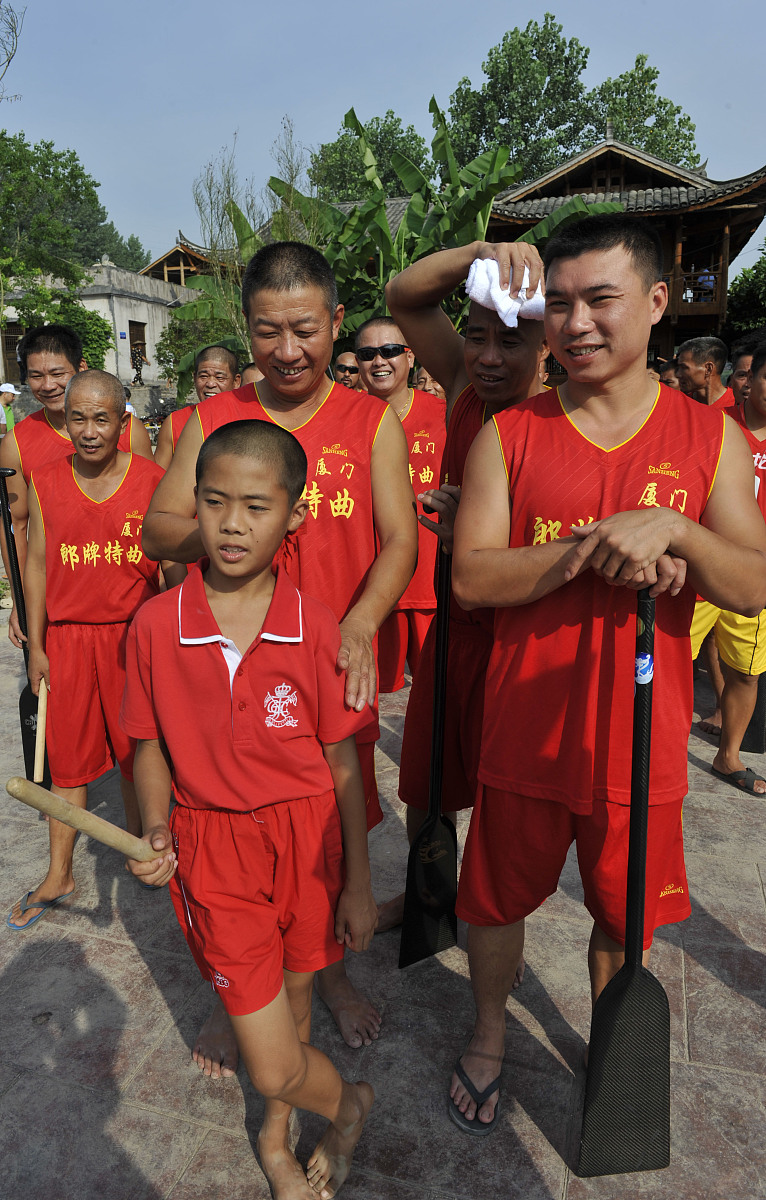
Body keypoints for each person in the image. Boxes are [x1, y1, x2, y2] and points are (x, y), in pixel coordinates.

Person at [449, 214, 766, 1134]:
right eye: (559, 304)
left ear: (657, 304)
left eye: (600, 301)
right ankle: (488, 1032)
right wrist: (591, 551)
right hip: (525, 728)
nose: (576, 324)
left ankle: (608, 1040)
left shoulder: (711, 441)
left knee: (623, 917)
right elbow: (471, 577)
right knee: (497, 898)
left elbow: (749, 585)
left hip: (644, 739)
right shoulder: (509, 435)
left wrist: (675, 530)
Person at [142, 240, 417, 1071]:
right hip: (227, 667)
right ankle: (246, 993)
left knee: (328, 835)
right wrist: (234, 519)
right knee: (232, 831)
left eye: (304, 328)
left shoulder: (372, 421)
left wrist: (362, 621)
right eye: (268, 331)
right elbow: (157, 528)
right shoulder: (210, 420)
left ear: (335, 322)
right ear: (247, 328)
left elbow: (401, 541)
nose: (287, 350)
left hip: (328, 670)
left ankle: (325, 977)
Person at [123, 420, 374, 1200]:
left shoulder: (317, 627)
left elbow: (342, 767)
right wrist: (155, 825)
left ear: (295, 515)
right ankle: (352, 1106)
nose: (232, 524)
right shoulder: (157, 625)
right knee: (270, 1054)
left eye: (257, 506)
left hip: (307, 843)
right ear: (191, 506)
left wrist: (359, 884)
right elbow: (149, 746)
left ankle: (274, 1135)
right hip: (212, 848)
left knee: (297, 1004)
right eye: (215, 502)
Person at [378, 238, 547, 932]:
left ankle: (490, 924)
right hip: (456, 627)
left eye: (512, 341)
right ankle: (429, 896)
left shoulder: (565, 417)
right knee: (427, 777)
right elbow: (404, 296)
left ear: (550, 344)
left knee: (507, 797)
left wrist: (472, 539)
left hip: (524, 638)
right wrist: (482, 250)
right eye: (475, 337)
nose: (488, 357)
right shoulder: (464, 395)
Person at [7, 370, 183, 931]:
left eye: (101, 418)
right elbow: (36, 564)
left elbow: (172, 568)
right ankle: (60, 870)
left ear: (122, 422)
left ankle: (144, 850)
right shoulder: (45, 480)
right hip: (67, 639)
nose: (88, 430)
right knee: (69, 762)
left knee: (141, 754)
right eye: (77, 417)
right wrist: (36, 644)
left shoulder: (155, 480)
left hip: (134, 636)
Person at [0, 325, 153, 648]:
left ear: (81, 367)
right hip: (64, 612)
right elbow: (16, 526)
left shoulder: (129, 431)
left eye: (57, 373)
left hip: (132, 605)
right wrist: (22, 599)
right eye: (35, 376)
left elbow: (155, 513)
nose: (48, 385)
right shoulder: (17, 443)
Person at [689, 339, 766, 791]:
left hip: (753, 580)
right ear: (748, 379)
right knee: (665, 661)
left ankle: (729, 756)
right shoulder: (713, 427)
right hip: (701, 569)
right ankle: (650, 746)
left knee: (746, 670)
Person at [355, 315, 446, 692]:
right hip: (371, 590)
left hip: (433, 585)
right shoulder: (345, 417)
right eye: (368, 353)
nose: (379, 361)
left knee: (437, 699)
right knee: (368, 698)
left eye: (390, 350)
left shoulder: (445, 414)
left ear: (410, 357)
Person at [154, 345, 241, 470]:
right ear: (194, 378)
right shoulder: (175, 422)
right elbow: (157, 477)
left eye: (219, 377)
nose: (210, 384)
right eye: (203, 376)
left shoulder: (248, 418)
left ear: (236, 381)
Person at [676, 336, 734, 408]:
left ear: (708, 369)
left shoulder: (738, 404)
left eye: (684, 368)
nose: (678, 374)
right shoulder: (679, 405)